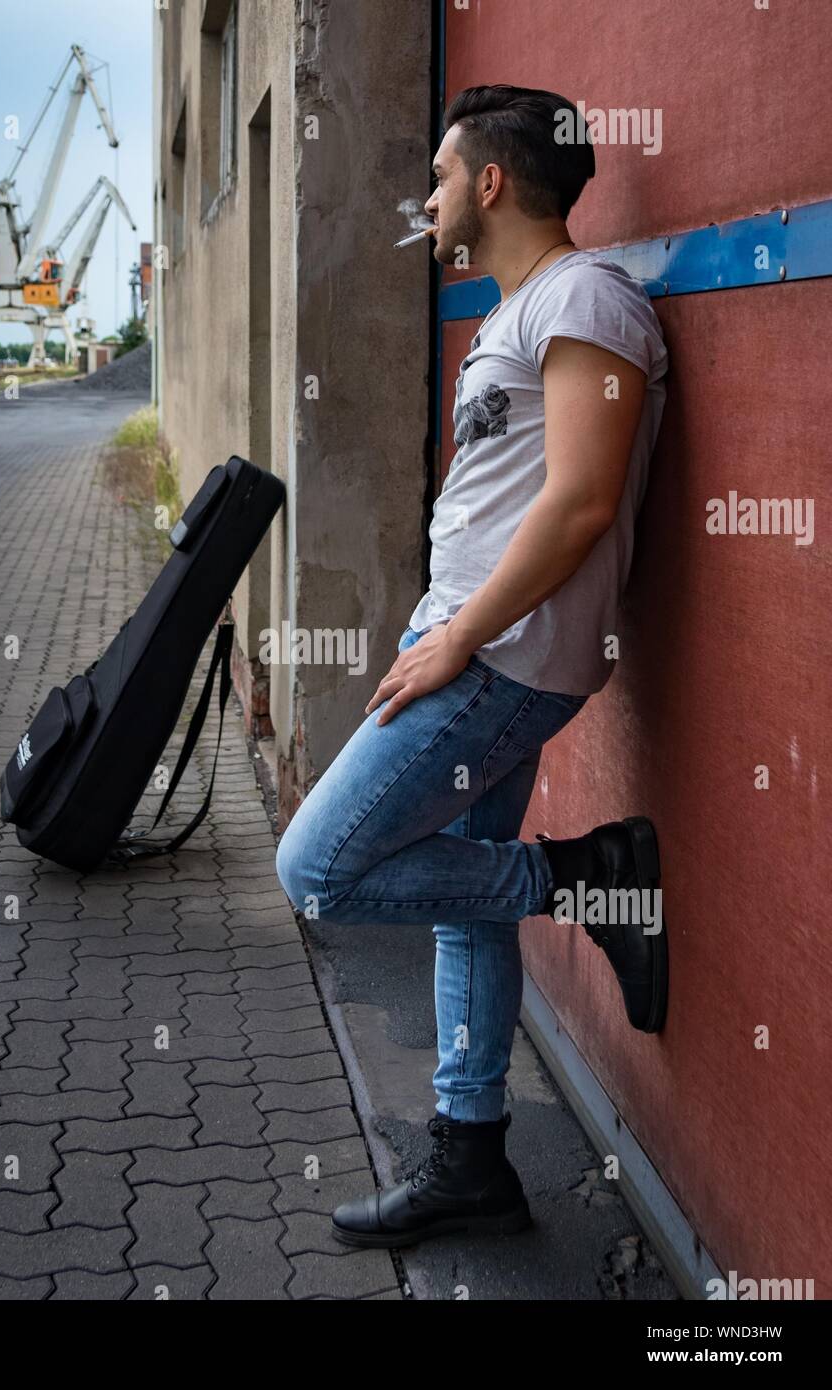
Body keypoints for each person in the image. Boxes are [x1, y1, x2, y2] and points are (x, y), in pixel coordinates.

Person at [275, 84, 670, 1250]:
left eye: (442, 176)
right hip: (464, 640)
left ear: (491, 182)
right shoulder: (522, 310)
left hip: (495, 656)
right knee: (463, 909)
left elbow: (585, 498)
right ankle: (472, 1163)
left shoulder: (586, 299)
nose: (431, 198)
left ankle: (592, 874)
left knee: (320, 871)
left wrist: (454, 637)